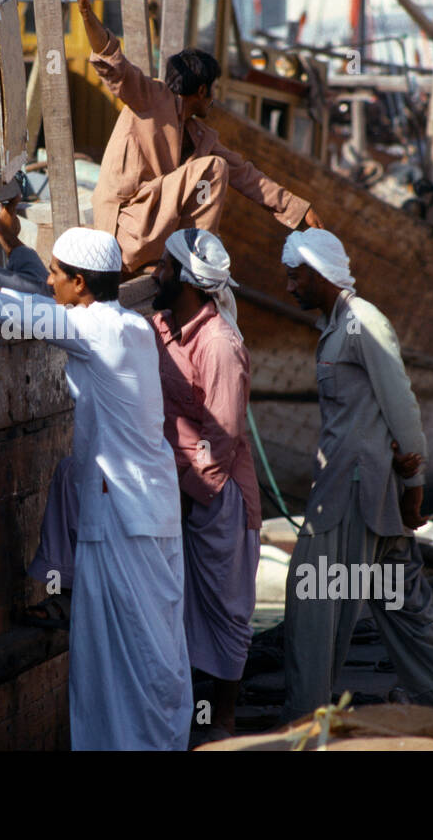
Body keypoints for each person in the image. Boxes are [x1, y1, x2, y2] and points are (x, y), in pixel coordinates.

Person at [0, 227, 192, 751]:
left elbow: (13, 310)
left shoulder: (100, 329)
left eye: (57, 275)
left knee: (121, 654)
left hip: (124, 517)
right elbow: (28, 300)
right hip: (151, 509)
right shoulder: (132, 325)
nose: (50, 282)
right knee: (154, 647)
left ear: (80, 283)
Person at [279, 228, 433, 723]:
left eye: (296, 278)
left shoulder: (362, 323)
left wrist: (414, 488)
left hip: (353, 496)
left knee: (313, 606)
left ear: (319, 274)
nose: (290, 288)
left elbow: (400, 403)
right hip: (366, 493)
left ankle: (305, 723)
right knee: (400, 600)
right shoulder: (337, 327)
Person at [73, 0, 322, 275]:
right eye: (213, 91)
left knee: (219, 167)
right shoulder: (150, 97)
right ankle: (198, 260)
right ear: (202, 90)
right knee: (214, 168)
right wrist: (87, 14)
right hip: (120, 232)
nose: (214, 101)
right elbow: (112, 61)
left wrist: (299, 210)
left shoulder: (197, 134)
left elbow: (246, 175)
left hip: (147, 228)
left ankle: (186, 256)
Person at [149, 228, 260, 740]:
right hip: (177, 487)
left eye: (164, 268)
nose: (156, 274)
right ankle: (192, 719)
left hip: (216, 495)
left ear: (187, 280)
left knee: (227, 606)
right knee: (181, 604)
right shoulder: (164, 325)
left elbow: (224, 434)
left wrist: (191, 492)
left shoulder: (219, 344)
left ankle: (225, 722)